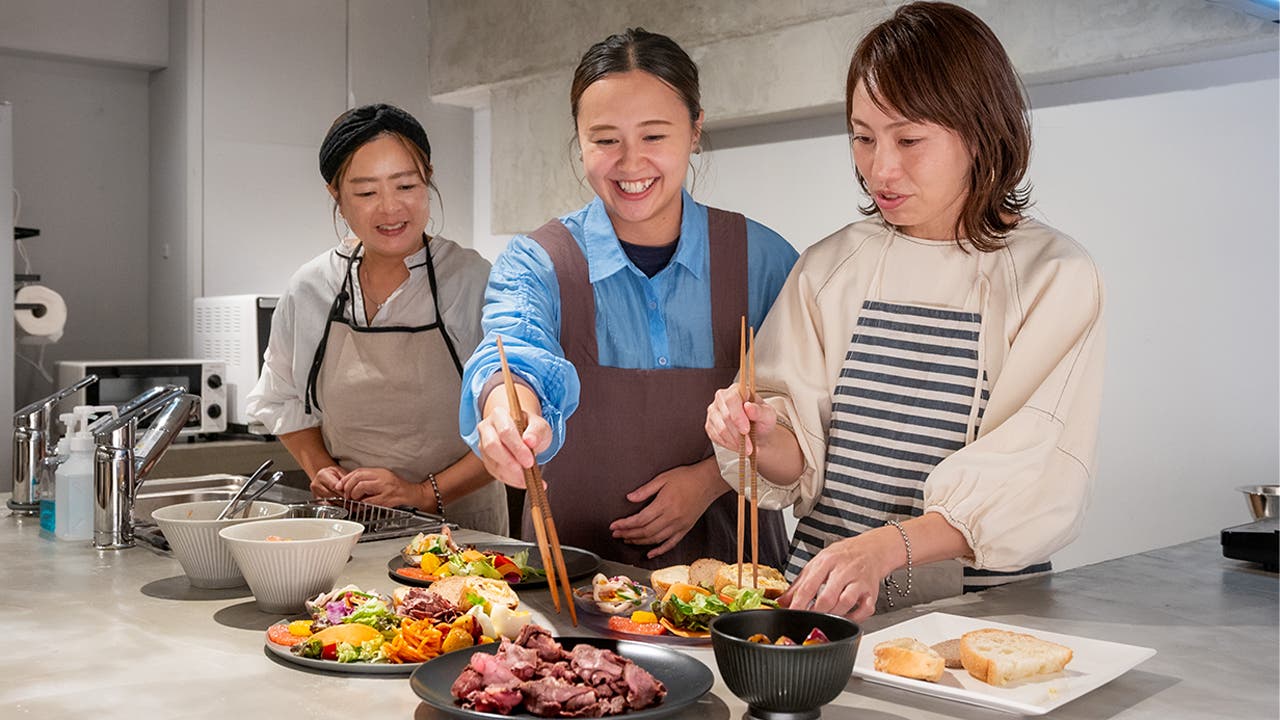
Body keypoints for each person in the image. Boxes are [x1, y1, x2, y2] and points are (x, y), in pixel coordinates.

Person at [705, 1, 1105, 620]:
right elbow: (793, 462)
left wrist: (886, 548)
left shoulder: (1053, 277)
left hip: (982, 617)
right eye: (862, 139)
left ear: (979, 131)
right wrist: (756, 436)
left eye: (910, 139)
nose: (880, 169)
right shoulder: (830, 267)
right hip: (824, 609)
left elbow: (1030, 477)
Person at [460, 29, 799, 569]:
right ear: (579, 140)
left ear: (695, 129)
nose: (630, 162)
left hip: (739, 584)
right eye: (605, 139)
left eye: (654, 136)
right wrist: (508, 412)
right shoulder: (539, 261)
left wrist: (710, 480)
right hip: (572, 574)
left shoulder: (763, 259)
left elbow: (800, 414)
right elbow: (512, 350)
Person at [247, 103, 508, 535]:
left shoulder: (475, 283)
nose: (390, 209)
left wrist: (422, 494)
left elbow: (510, 426)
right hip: (351, 533)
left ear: (427, 178)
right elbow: (280, 400)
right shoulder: (311, 289)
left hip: (468, 538)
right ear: (336, 196)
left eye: (405, 185)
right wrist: (323, 470)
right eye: (366, 193)